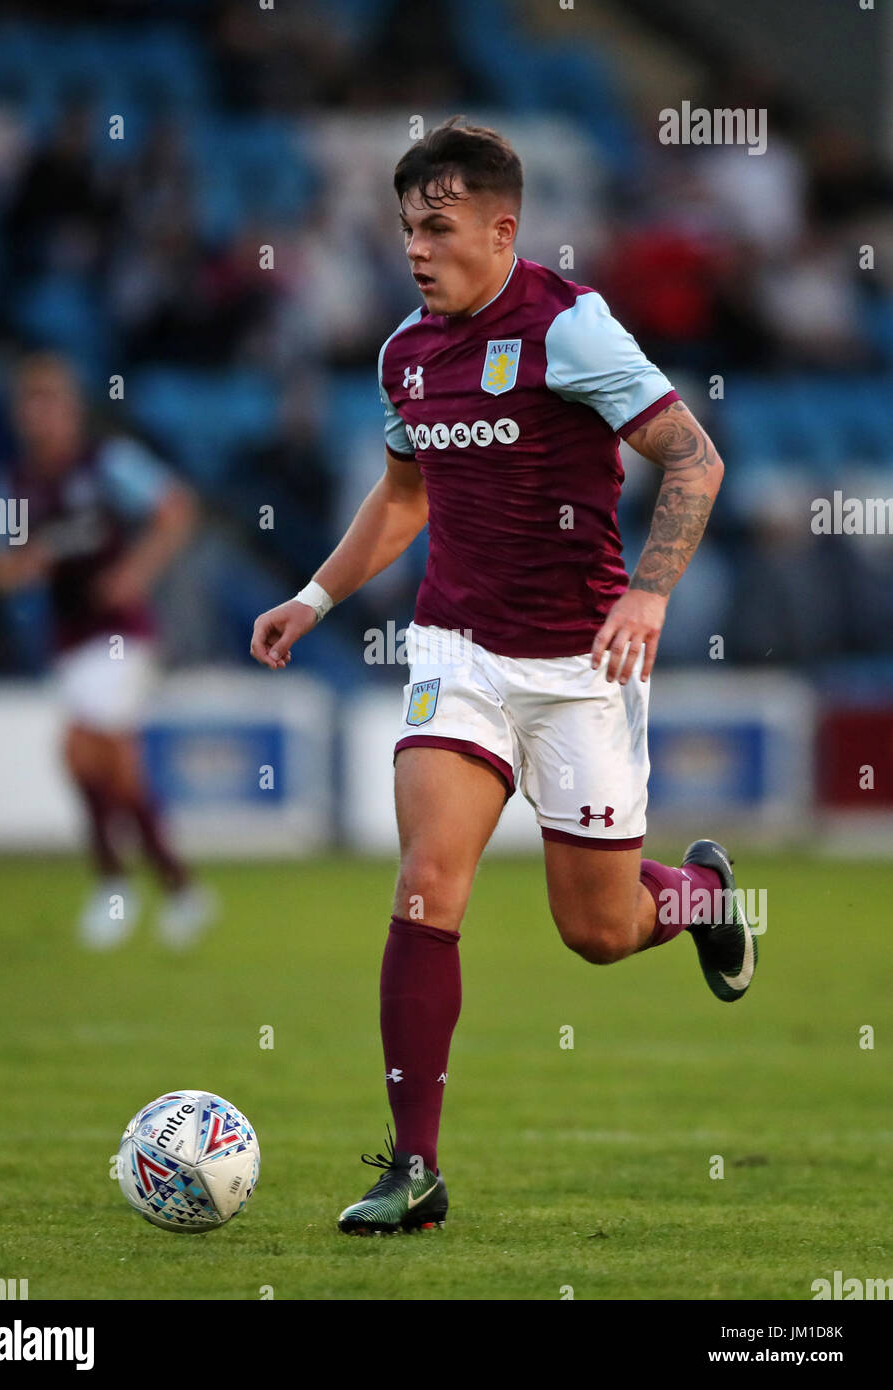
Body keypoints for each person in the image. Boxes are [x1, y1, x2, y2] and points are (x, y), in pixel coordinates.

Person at [249, 117, 759, 1235]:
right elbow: (402, 499)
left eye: (436, 227)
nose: (416, 249)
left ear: (501, 227)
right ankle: (413, 1170)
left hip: (581, 663)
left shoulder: (567, 328)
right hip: (457, 652)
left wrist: (649, 591)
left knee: (598, 930)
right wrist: (315, 596)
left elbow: (693, 456)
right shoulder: (404, 355)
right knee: (427, 878)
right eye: (404, 230)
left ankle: (702, 894)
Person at [0, 352, 214, 949]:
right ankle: (178, 888)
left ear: (72, 409)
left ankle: (116, 886)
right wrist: (27, 564)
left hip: (121, 633)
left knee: (82, 747)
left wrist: (135, 572)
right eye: (33, 407)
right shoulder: (4, 484)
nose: (45, 418)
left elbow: (175, 506)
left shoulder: (108, 462)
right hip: (65, 638)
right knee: (107, 764)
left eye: (53, 404)